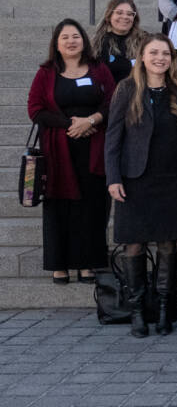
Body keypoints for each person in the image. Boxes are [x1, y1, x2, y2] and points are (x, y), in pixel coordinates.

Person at [105, 34, 177, 337]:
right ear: (141, 57)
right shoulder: (127, 89)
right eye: (153, 53)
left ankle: (166, 309)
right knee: (134, 243)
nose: (160, 58)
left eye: (165, 53)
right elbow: (113, 138)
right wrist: (113, 177)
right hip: (134, 179)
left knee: (168, 243)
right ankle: (138, 311)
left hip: (171, 178)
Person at [27, 19, 116, 285]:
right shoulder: (46, 72)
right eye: (64, 37)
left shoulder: (99, 69)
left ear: (84, 40)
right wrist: (71, 125)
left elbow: (113, 101)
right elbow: (35, 109)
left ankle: (88, 263)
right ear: (56, 43)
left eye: (75, 36)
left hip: (94, 148)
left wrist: (92, 121)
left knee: (92, 206)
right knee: (59, 207)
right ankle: (59, 265)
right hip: (58, 151)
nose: (71, 41)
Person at [93, 0, 148, 85]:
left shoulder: (145, 40)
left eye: (130, 14)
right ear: (109, 15)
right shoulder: (99, 43)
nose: (125, 17)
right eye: (119, 13)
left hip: (140, 93)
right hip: (111, 95)